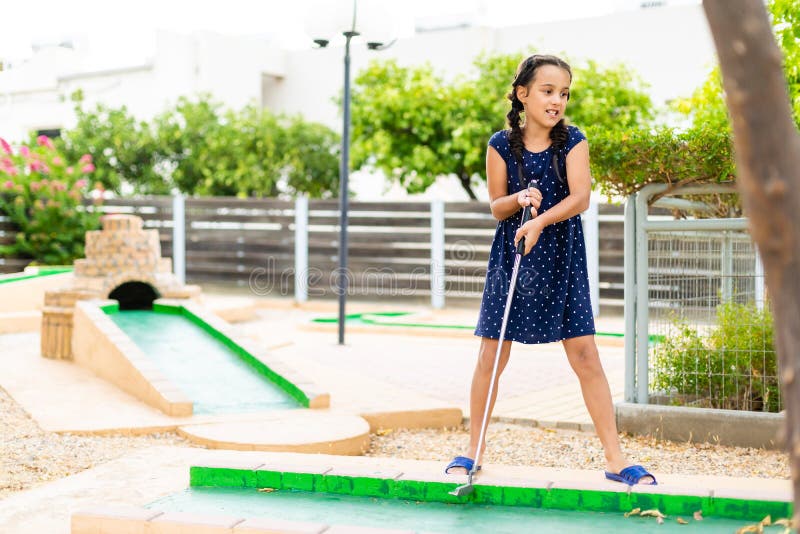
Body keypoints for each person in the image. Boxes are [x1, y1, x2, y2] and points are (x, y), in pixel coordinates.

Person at [444, 54, 655, 486]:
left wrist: (540, 220)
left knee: (585, 355)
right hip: (514, 258)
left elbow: (580, 198)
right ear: (523, 95)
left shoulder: (573, 140)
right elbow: (496, 205)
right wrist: (521, 201)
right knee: (491, 355)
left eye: (564, 93)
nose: (557, 100)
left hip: (561, 257)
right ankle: (472, 451)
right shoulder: (500, 144)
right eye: (547, 91)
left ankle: (615, 459)